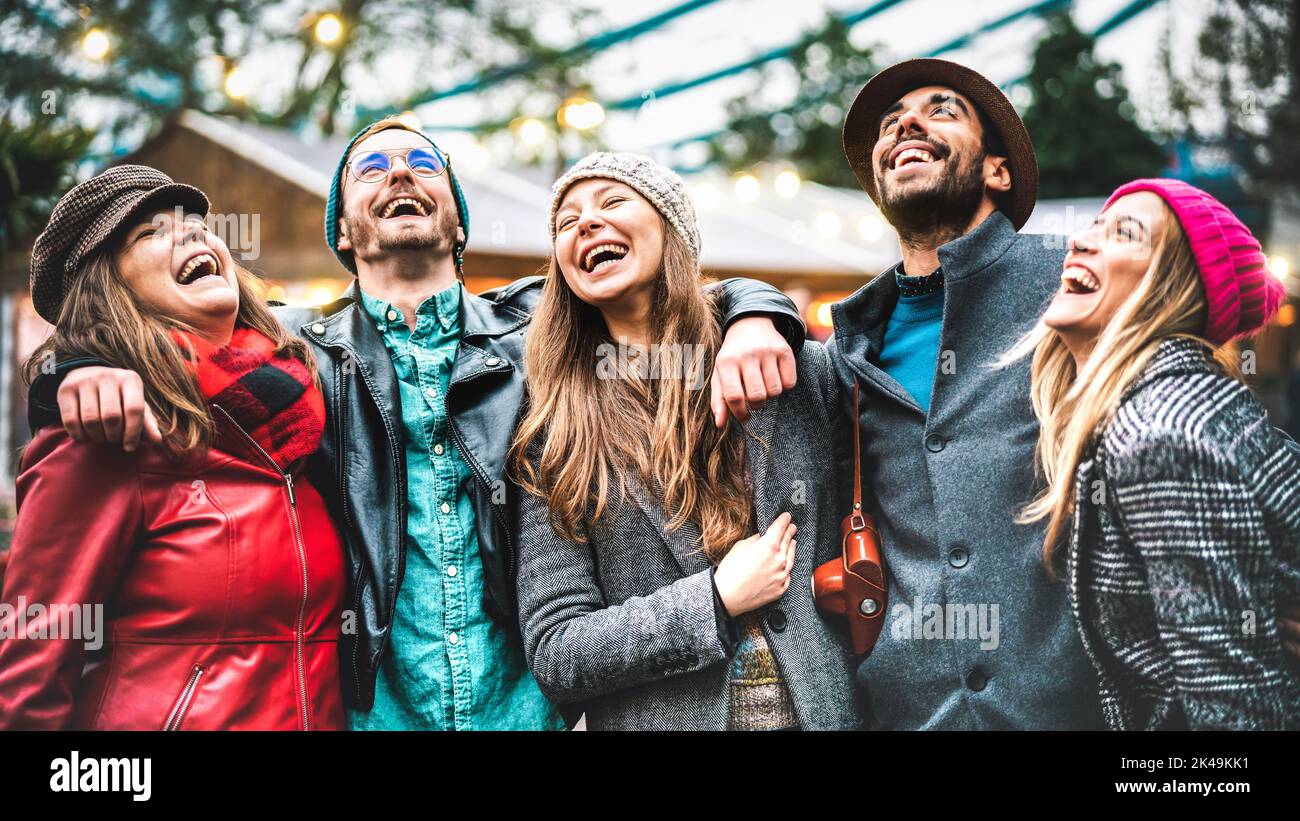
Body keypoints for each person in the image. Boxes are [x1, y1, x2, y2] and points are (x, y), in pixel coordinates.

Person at [27, 120, 806, 730]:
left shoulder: (542, 333)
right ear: (343, 233)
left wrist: (758, 313)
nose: (399, 173)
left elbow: (672, 289)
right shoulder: (297, 360)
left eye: (423, 165)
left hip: (526, 714)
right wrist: (76, 369)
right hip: (373, 717)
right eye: (370, 169)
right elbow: (176, 351)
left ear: (459, 226)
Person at [827, 57, 1300, 729]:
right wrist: (755, 312)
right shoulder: (846, 350)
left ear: (997, 170)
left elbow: (1231, 441)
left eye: (941, 109)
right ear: (879, 178)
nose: (905, 121)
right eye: (888, 124)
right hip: (912, 715)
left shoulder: (1078, 280)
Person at [510, 152, 867, 730]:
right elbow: (557, 652)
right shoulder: (552, 426)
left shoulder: (790, 367)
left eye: (612, 201)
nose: (585, 223)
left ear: (670, 227)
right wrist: (715, 598)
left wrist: (761, 311)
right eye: (566, 221)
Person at [0, 166, 345, 730]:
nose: (193, 235)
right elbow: (29, 679)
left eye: (195, 225)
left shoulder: (301, 412)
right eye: (150, 233)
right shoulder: (102, 432)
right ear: (109, 293)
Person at [1004, 179, 1299, 730]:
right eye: (1094, 225)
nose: (1082, 241)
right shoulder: (1171, 404)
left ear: (1170, 290)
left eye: (1125, 233)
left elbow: (1235, 705)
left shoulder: (1161, 431)